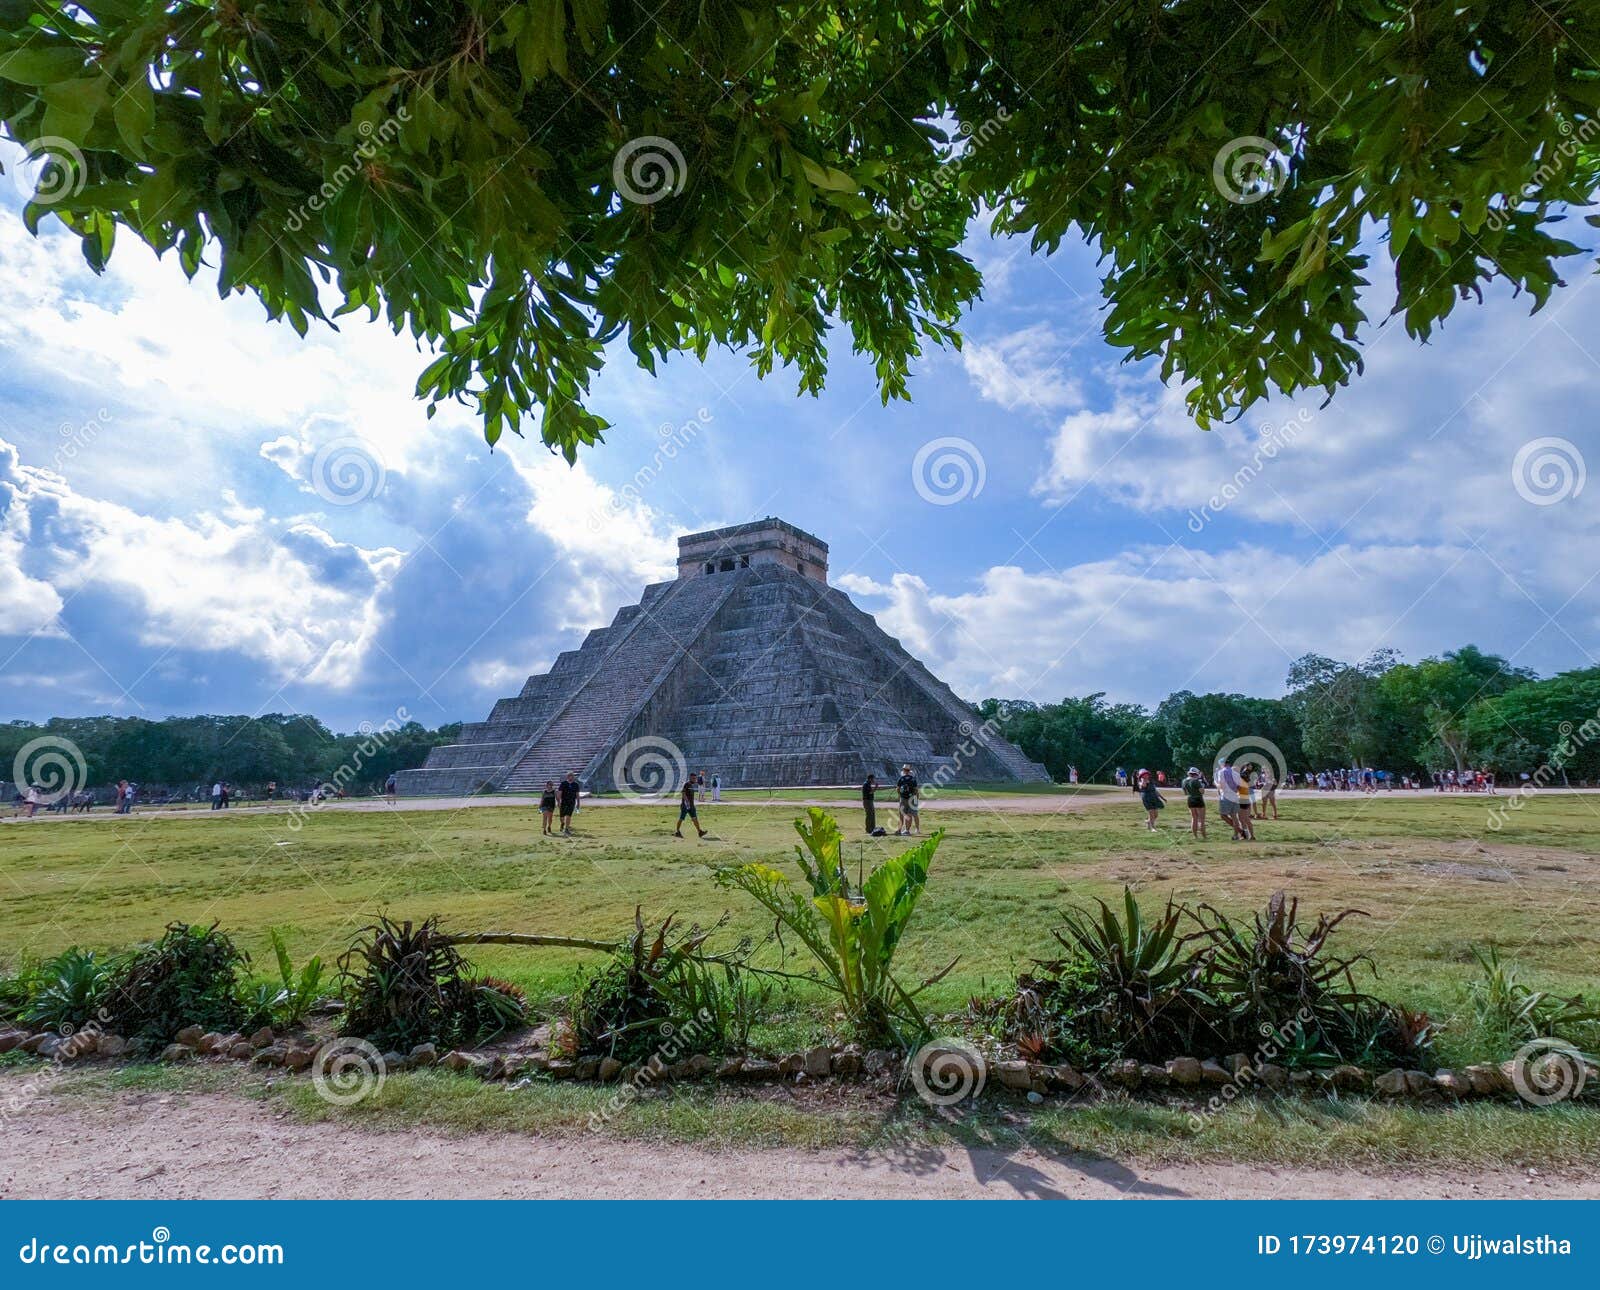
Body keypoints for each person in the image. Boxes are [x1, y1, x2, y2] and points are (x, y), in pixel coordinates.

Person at [1181, 766, 1207, 839]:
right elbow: (1202, 791)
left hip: (1190, 799)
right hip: (1198, 799)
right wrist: (1202, 786)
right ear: (1196, 774)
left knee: (1194, 818)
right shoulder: (1196, 781)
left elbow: (1185, 793)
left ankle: (1195, 836)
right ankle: (1204, 836)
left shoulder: (1184, 781)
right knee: (1202, 819)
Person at [895, 765, 918, 836]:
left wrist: (900, 795)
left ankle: (899, 829)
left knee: (901, 815)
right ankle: (907, 830)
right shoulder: (913, 779)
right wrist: (915, 798)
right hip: (911, 798)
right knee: (909, 815)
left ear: (904, 770)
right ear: (909, 770)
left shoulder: (901, 779)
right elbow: (916, 790)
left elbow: (897, 789)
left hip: (903, 798)